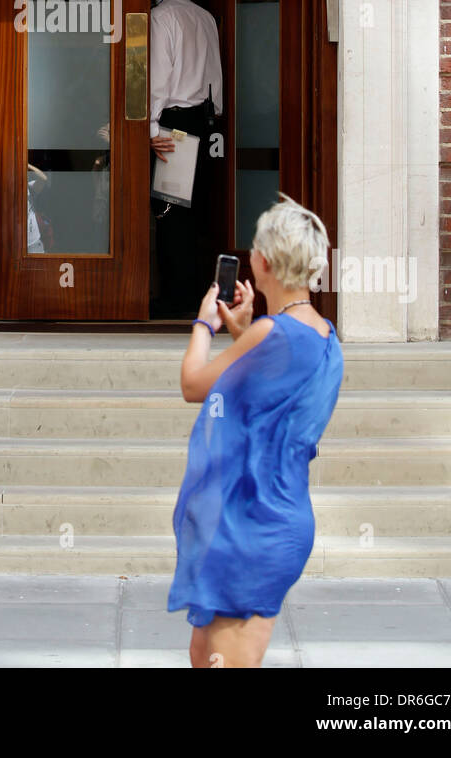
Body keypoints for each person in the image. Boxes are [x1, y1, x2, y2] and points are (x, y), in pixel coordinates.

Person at [168, 195, 343, 668]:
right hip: (262, 513)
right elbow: (267, 391)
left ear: (261, 261)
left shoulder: (274, 334)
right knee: (203, 654)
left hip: (256, 522)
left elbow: (192, 385)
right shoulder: (320, 332)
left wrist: (204, 322)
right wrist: (241, 332)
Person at [149, 0, 223, 316]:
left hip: (174, 122)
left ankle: (176, 299)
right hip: (206, 120)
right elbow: (216, 75)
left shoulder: (161, 18)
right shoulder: (206, 16)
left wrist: (149, 126)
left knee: (170, 212)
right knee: (196, 213)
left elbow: (158, 78)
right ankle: (194, 293)